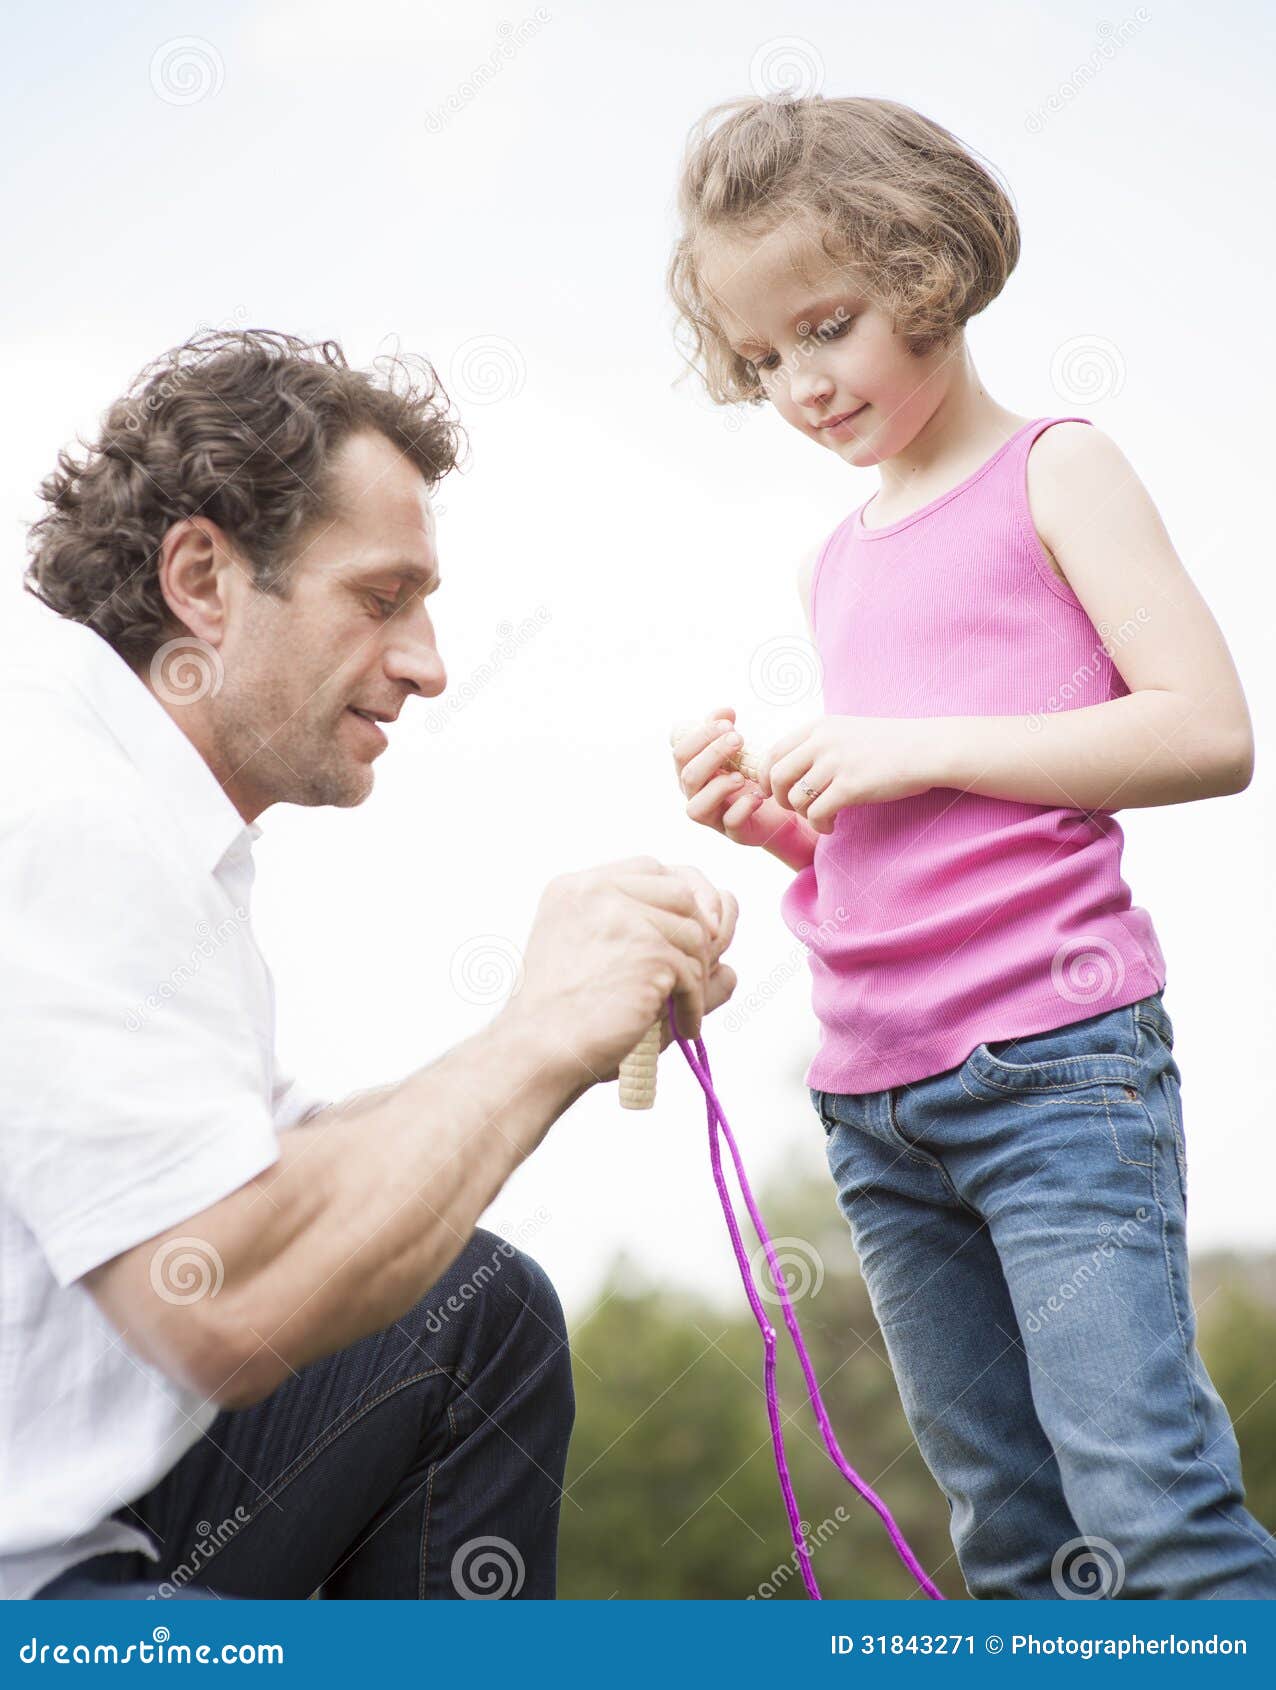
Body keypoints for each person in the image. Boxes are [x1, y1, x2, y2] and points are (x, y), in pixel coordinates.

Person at [0, 330, 738, 1601]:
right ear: (201, 577)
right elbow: (223, 1298)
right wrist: (539, 1031)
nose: (429, 662)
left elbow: (290, 1195)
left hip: (76, 1501)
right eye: (381, 597)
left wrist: (556, 1030)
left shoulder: (145, 818)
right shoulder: (57, 805)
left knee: (467, 1312)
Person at [667, 95, 1274, 1599]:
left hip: (1055, 1063)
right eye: (762, 359)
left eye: (828, 324)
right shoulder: (834, 559)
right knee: (1006, 1530)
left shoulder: (1058, 470)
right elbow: (900, 830)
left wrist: (916, 745)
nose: (800, 383)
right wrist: (787, 830)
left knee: (1149, 1504)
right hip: (876, 1099)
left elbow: (1208, 728)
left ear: (927, 267)